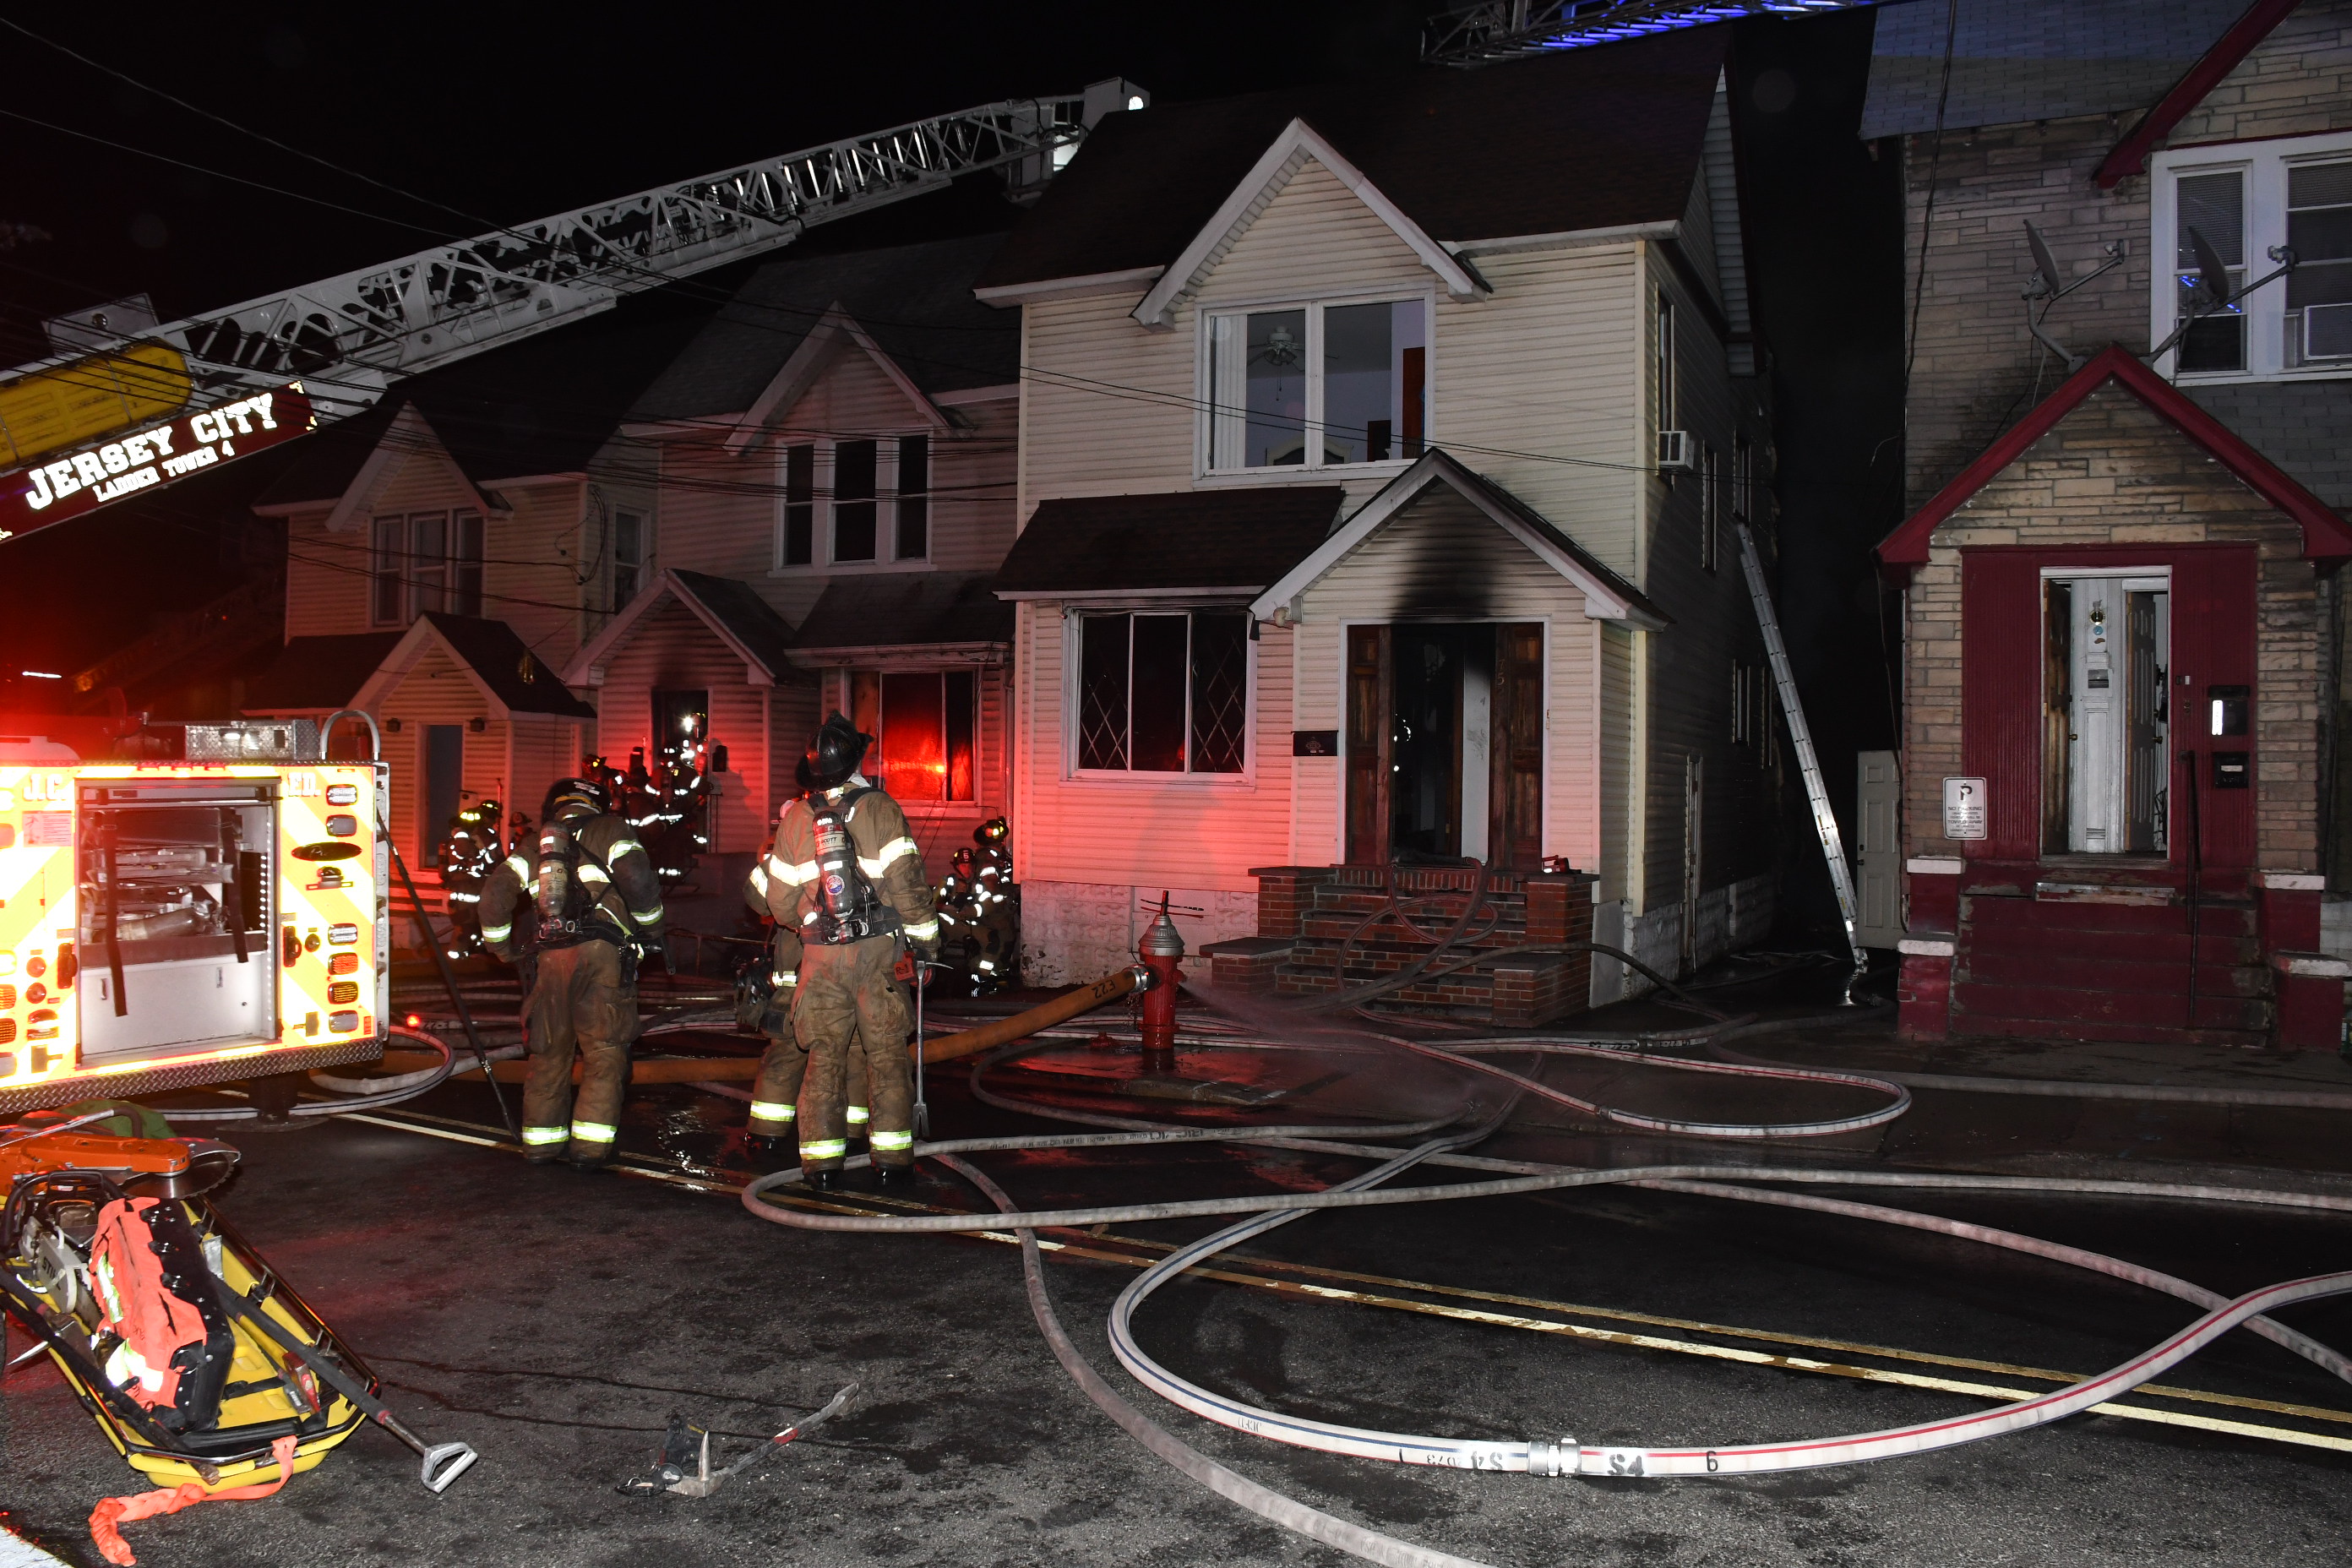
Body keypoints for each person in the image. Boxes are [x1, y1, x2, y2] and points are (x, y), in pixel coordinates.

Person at [759, 714, 938, 1189]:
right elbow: (908, 885)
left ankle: (820, 1167)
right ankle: (892, 1163)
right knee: (886, 1058)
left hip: (821, 958)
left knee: (823, 1058)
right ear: (859, 759)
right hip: (879, 954)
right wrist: (925, 944)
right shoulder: (880, 807)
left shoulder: (797, 817)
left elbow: (777, 904)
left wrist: (814, 925)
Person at [477, 776, 667, 1168]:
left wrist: (502, 948)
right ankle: (590, 1150)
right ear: (596, 803)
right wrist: (652, 926)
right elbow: (636, 878)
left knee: (549, 1051)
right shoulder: (612, 829)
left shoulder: (534, 845)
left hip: (551, 958)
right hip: (604, 953)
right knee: (605, 1051)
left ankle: (541, 1146)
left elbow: (494, 895)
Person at [742, 827, 868, 1153]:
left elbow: (757, 898)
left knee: (787, 1052)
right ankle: (853, 1131)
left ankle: (767, 1133)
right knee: (852, 1050)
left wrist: (778, 850)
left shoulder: (790, 845)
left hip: (799, 970)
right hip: (848, 965)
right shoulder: (861, 835)